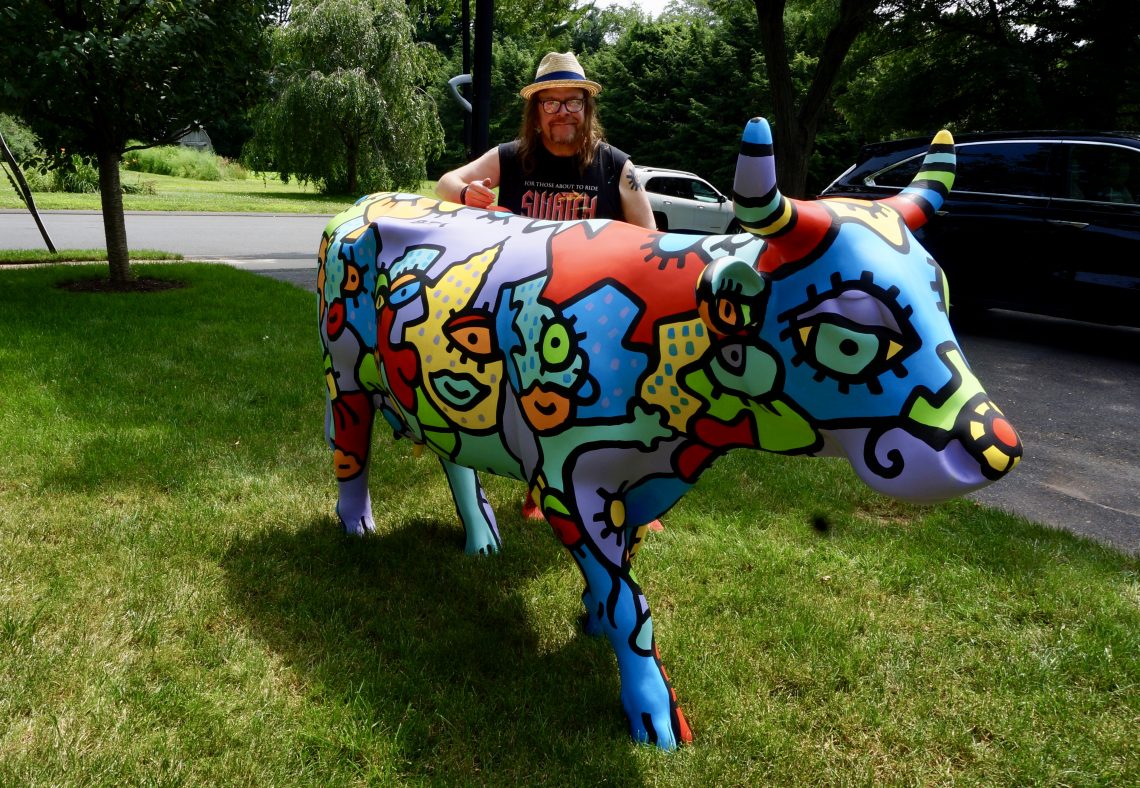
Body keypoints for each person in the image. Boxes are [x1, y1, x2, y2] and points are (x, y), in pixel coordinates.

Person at [436, 51, 661, 528]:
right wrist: (467, 195)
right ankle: (543, 487)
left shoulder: (616, 166)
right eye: (551, 103)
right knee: (534, 401)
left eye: (573, 102)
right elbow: (446, 182)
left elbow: (650, 241)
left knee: (619, 403)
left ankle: (631, 491)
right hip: (526, 309)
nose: (563, 112)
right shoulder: (511, 158)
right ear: (536, 112)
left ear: (587, 108)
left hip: (598, 312)